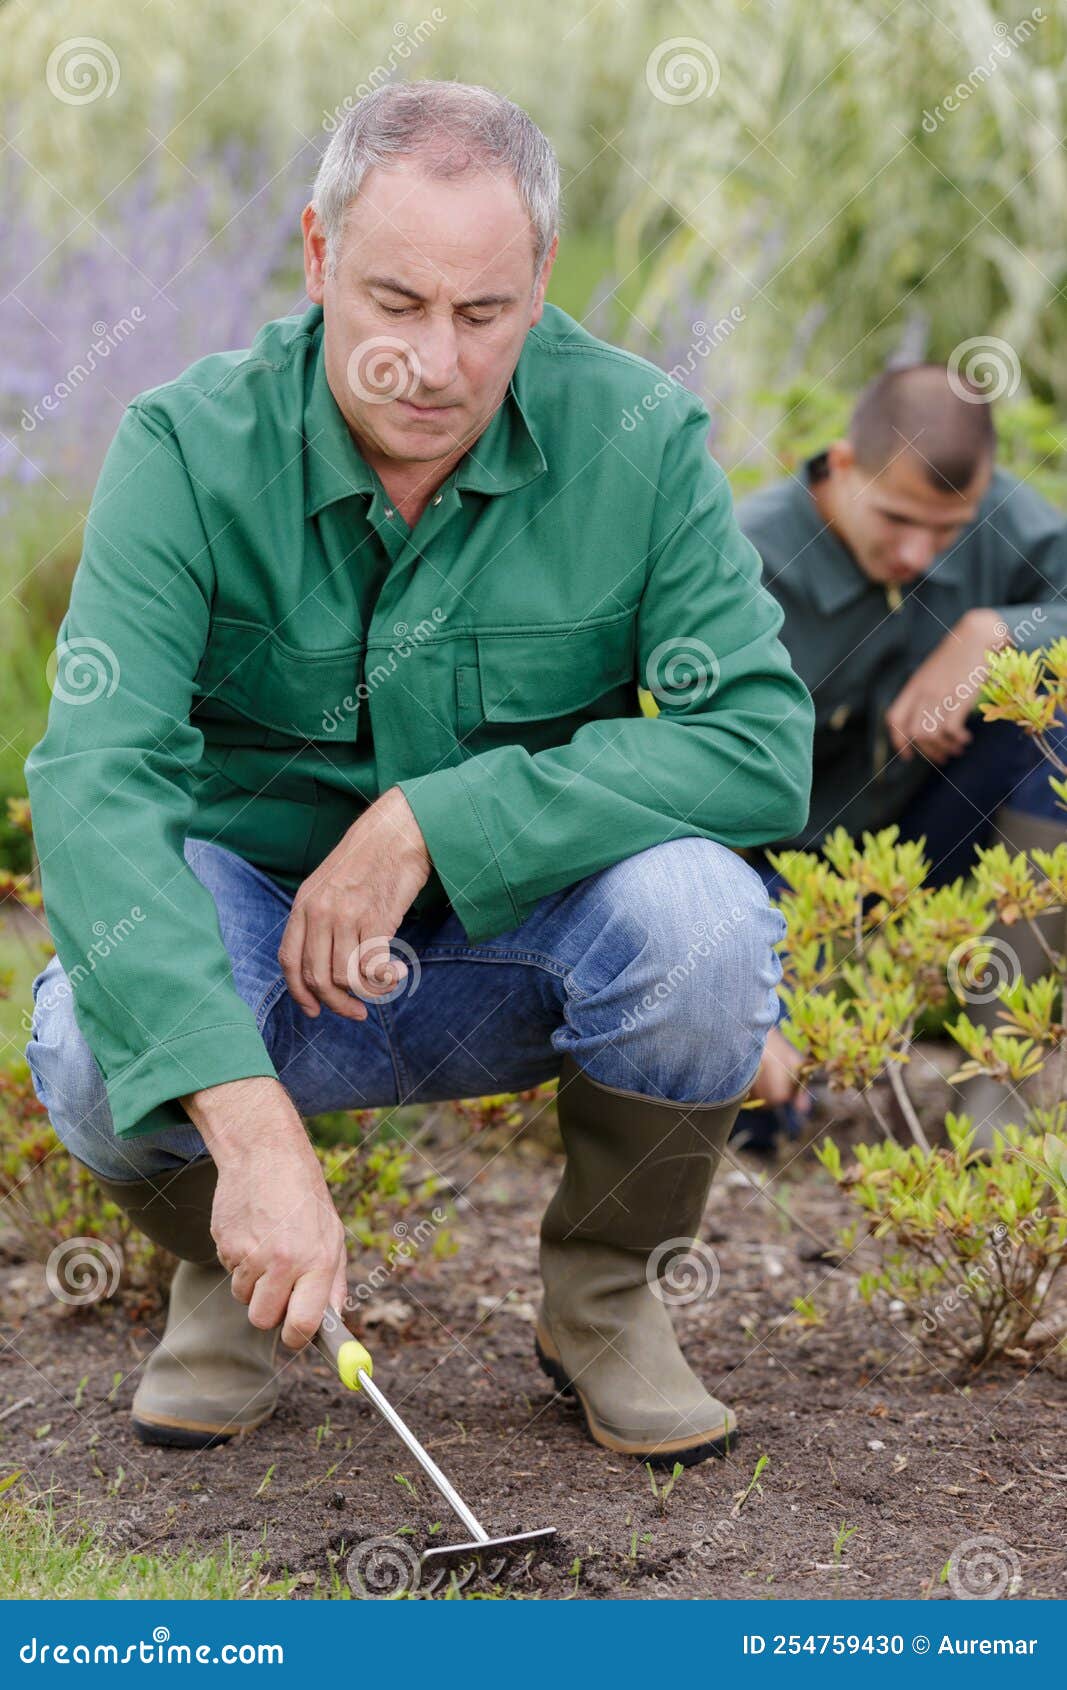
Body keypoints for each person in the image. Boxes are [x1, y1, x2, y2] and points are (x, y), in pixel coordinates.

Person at [24, 81, 813, 1467]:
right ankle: (228, 1258)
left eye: (482, 313)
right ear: (320, 258)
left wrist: (437, 822)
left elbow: (753, 740)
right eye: (393, 301)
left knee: (704, 925)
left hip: (516, 951)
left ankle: (604, 1294)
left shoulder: (639, 442)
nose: (432, 363)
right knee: (89, 1046)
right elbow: (95, 785)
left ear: (540, 280)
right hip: (253, 967)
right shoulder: (184, 449)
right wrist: (248, 1121)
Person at [737, 364, 1067, 1151]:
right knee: (748, 1115)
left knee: (1058, 723)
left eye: (948, 529)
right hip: (772, 881)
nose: (919, 552)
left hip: (928, 834)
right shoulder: (741, 552)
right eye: (894, 518)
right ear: (841, 464)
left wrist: (995, 634)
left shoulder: (1000, 517)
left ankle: (998, 1099)